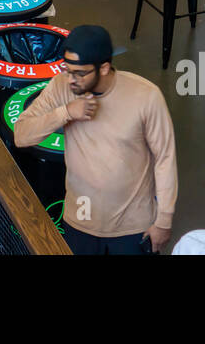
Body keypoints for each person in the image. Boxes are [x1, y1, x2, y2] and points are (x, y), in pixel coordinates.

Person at [14, 24, 178, 254]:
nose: (71, 79)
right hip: (80, 221)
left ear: (104, 68)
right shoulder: (62, 87)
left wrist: (164, 220)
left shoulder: (146, 97)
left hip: (132, 228)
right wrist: (67, 112)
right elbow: (22, 135)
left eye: (79, 73)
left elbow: (165, 158)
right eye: (67, 69)